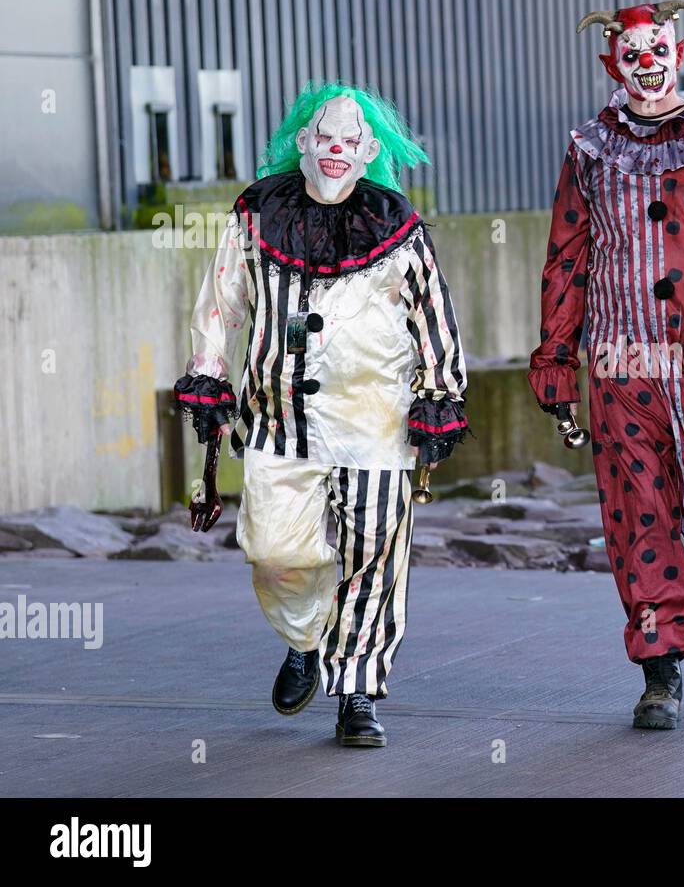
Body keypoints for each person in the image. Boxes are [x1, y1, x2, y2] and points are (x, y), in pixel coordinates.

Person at [174, 83, 468, 748]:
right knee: (274, 549)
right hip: (280, 418)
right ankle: (305, 635)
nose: (336, 151)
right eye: (325, 139)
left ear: (369, 153)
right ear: (301, 144)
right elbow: (222, 299)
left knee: (375, 555)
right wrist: (209, 373)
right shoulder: (256, 214)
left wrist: (442, 395)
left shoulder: (396, 225)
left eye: (350, 142)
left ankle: (357, 690)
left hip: (377, 419)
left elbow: (432, 314)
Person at [527, 0, 684, 729]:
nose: (646, 64)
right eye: (630, 54)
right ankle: (660, 666)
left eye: (657, 50)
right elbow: (567, 258)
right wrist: (556, 361)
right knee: (638, 514)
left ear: (679, 53)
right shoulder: (588, 150)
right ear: (613, 63)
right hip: (618, 362)